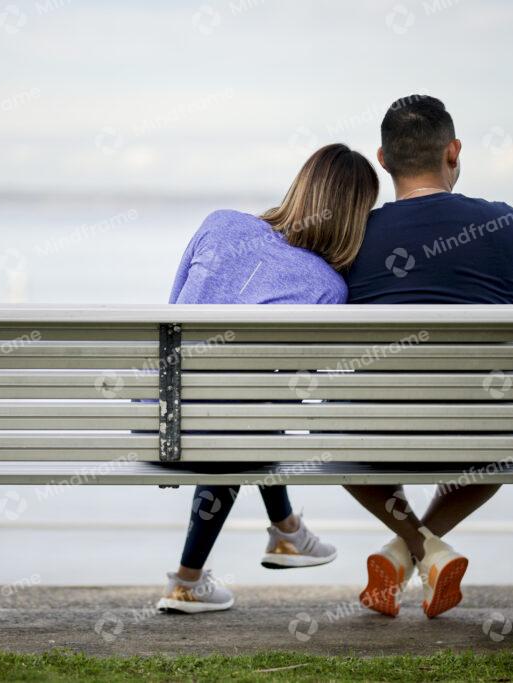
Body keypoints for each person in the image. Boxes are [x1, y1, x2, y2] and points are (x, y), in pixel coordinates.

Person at [156, 143, 381, 614]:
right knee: (250, 414)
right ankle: (271, 539)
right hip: (223, 439)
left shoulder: (221, 224)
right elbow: (291, 394)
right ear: (355, 217)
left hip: (158, 421)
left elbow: (173, 316)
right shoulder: (327, 287)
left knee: (240, 411)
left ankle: (277, 537)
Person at [343, 95, 513, 619]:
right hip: (483, 432)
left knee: (335, 432)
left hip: (378, 434)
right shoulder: (508, 227)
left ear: (382, 160)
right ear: (453, 151)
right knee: (509, 440)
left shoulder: (353, 234)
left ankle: (414, 549)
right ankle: (423, 549)